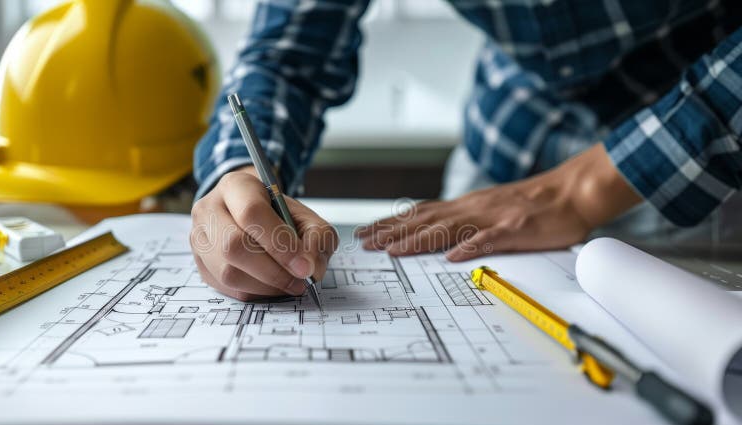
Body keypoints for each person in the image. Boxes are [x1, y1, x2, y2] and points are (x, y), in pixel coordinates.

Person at [190, 0, 742, 301]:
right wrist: (236, 175)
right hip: (499, 156)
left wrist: (577, 192)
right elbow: (288, 56)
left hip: (702, 164)